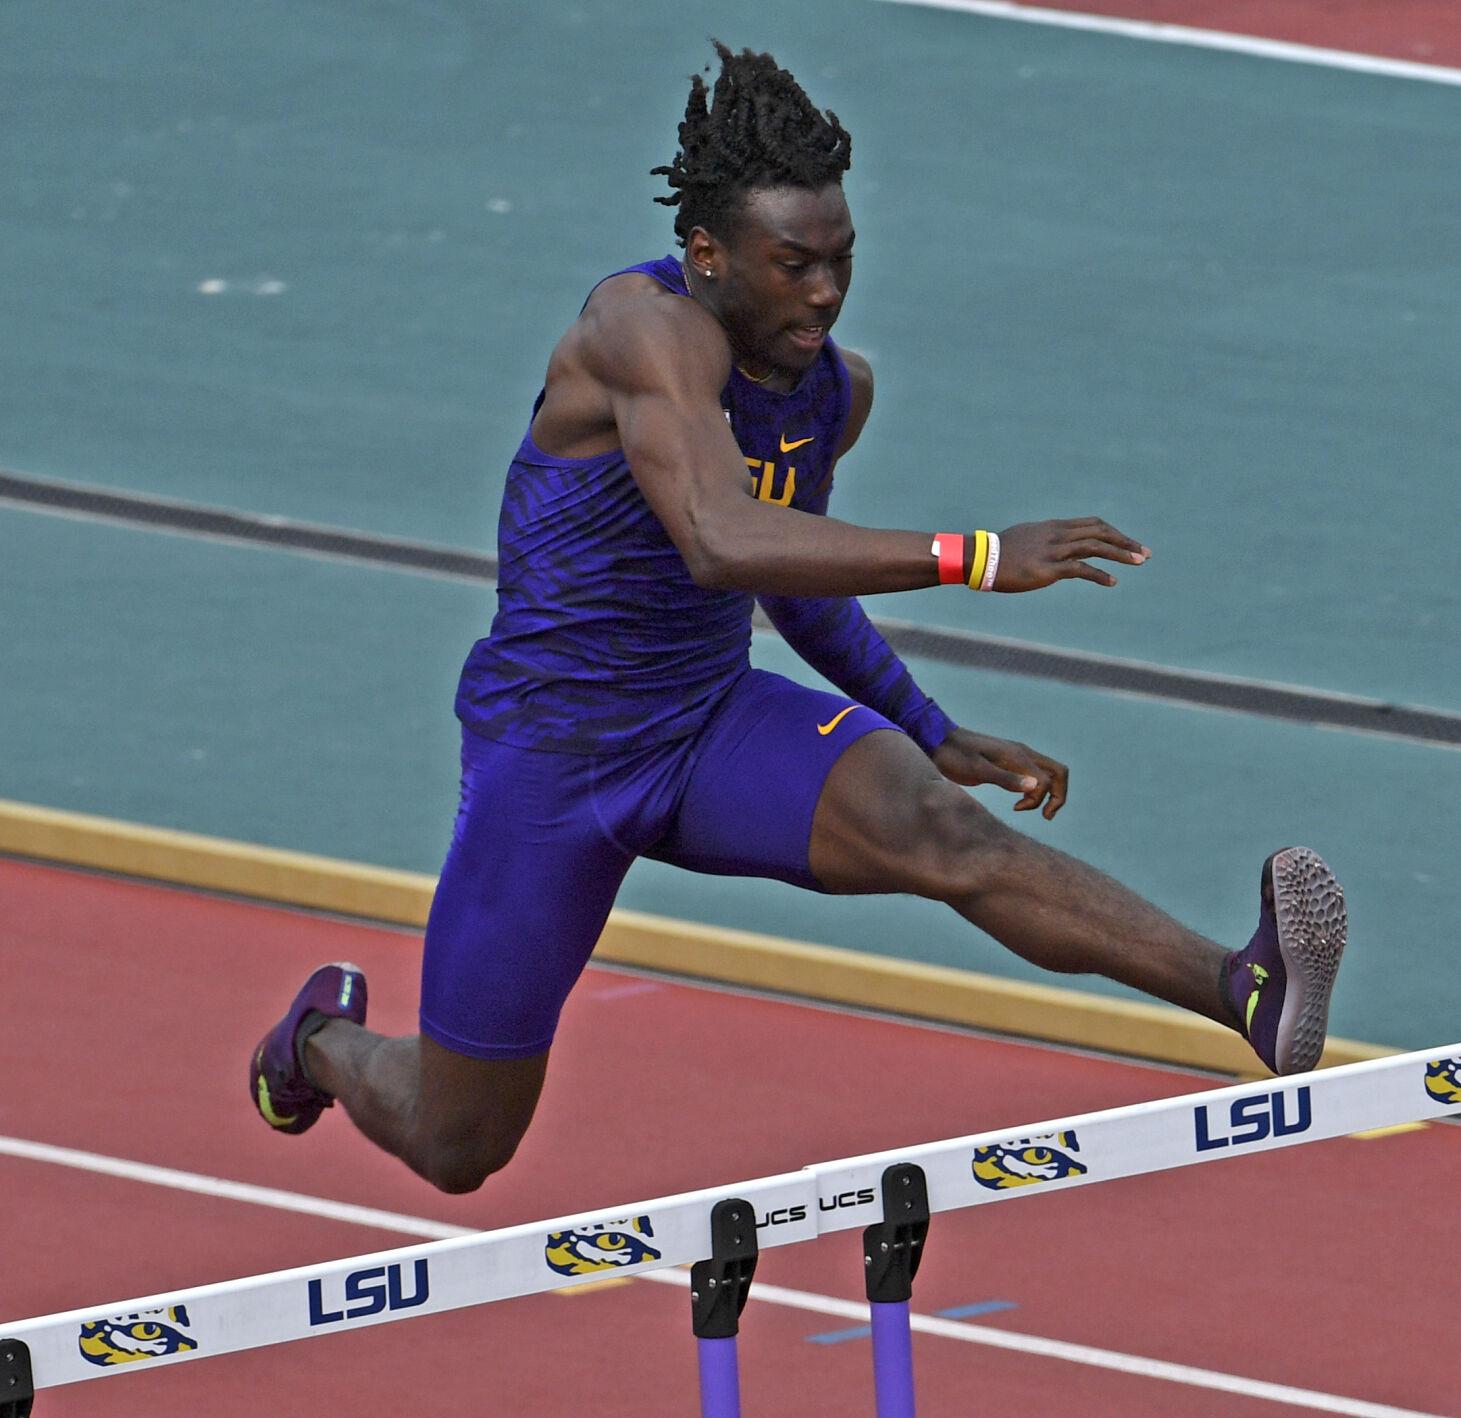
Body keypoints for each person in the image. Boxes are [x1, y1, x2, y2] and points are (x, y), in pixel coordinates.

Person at [249, 43, 1346, 1194]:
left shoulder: (835, 390)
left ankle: (1242, 987)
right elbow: (720, 537)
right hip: (553, 758)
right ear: (708, 252)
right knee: (458, 1142)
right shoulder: (639, 331)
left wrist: (925, 723)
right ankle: (317, 1038)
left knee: (946, 834)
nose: (823, 291)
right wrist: (974, 555)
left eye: (841, 260)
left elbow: (789, 575)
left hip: (711, 724)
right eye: (792, 264)